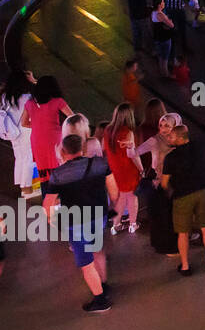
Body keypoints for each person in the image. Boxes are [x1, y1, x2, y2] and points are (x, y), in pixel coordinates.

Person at [44, 133, 113, 312]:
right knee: (97, 250)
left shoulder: (58, 175)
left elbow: (47, 205)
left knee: (86, 263)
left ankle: (100, 301)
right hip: (99, 216)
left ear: (63, 151)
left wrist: (53, 220)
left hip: (76, 223)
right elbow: (114, 191)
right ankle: (104, 284)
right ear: (82, 148)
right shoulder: (99, 164)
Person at [161, 124, 205, 275]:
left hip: (182, 197)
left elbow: (164, 183)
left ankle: (185, 266)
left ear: (180, 138)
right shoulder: (201, 145)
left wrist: (171, 191)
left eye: (171, 136)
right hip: (203, 192)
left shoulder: (170, 158)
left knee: (183, 233)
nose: (168, 138)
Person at [102, 103, 143, 235]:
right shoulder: (128, 132)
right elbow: (132, 155)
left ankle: (116, 224)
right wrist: (141, 169)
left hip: (115, 168)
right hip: (128, 168)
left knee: (121, 197)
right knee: (131, 196)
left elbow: (104, 149)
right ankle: (132, 224)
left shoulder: (108, 130)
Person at [0, 70, 36, 198]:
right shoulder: (27, 97)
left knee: (20, 158)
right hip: (26, 130)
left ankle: (22, 187)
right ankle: (27, 190)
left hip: (13, 131)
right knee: (28, 158)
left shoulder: (6, 97)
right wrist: (34, 81)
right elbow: (42, 96)